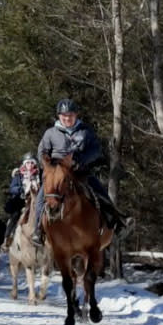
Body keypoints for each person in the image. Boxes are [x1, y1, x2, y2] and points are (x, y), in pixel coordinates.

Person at [30, 98, 130, 245]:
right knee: (41, 198)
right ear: (59, 116)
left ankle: (117, 223)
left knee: (101, 193)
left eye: (70, 115)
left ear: (76, 115)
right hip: (57, 174)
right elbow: (42, 151)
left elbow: (96, 150)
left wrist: (82, 160)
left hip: (80, 172)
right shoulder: (50, 133)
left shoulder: (86, 131)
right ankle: (38, 230)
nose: (67, 118)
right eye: (64, 116)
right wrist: (48, 164)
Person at [1, 152, 40, 251]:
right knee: (15, 215)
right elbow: (12, 188)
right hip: (21, 200)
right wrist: (21, 189)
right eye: (28, 163)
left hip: (36, 200)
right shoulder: (19, 175)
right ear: (24, 164)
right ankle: (8, 238)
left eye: (32, 163)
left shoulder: (39, 174)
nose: (30, 165)